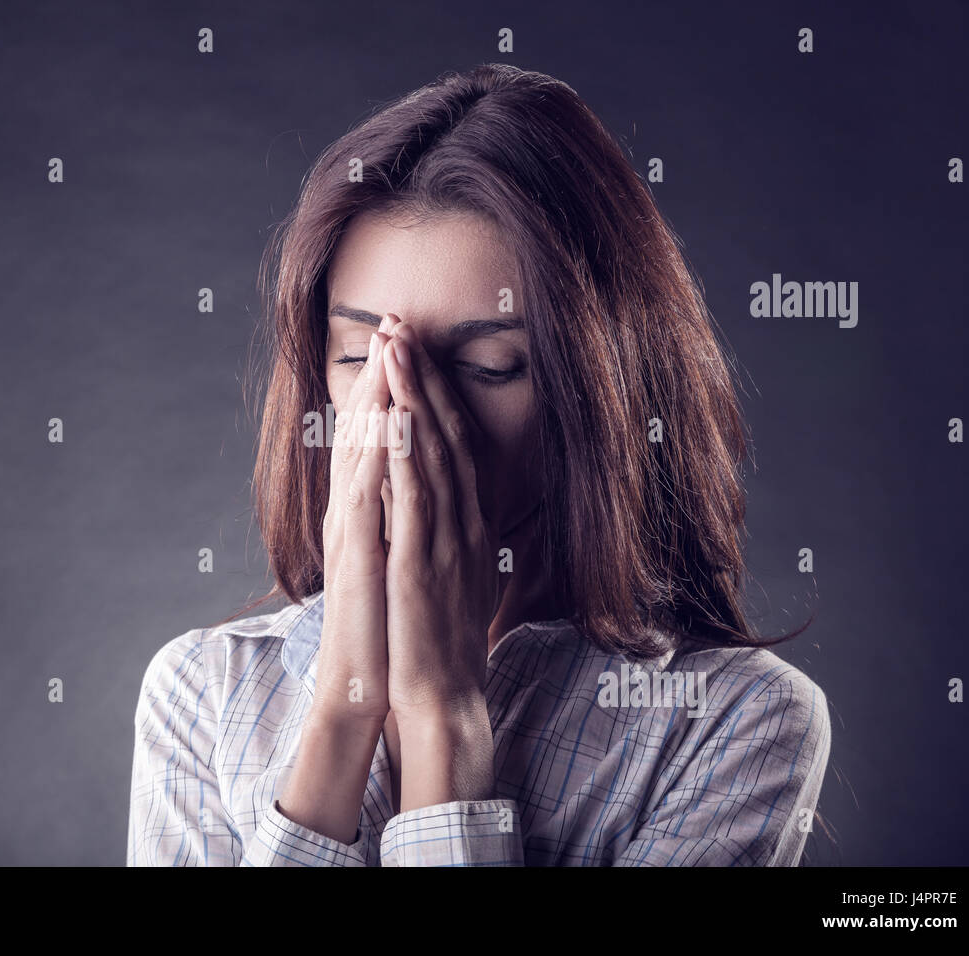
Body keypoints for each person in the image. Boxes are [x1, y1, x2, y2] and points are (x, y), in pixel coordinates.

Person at [128, 63, 831, 866]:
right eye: (360, 354)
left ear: (605, 387)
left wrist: (443, 719)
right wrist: (341, 714)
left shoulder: (737, 722)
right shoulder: (201, 691)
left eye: (490, 367)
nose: (405, 414)